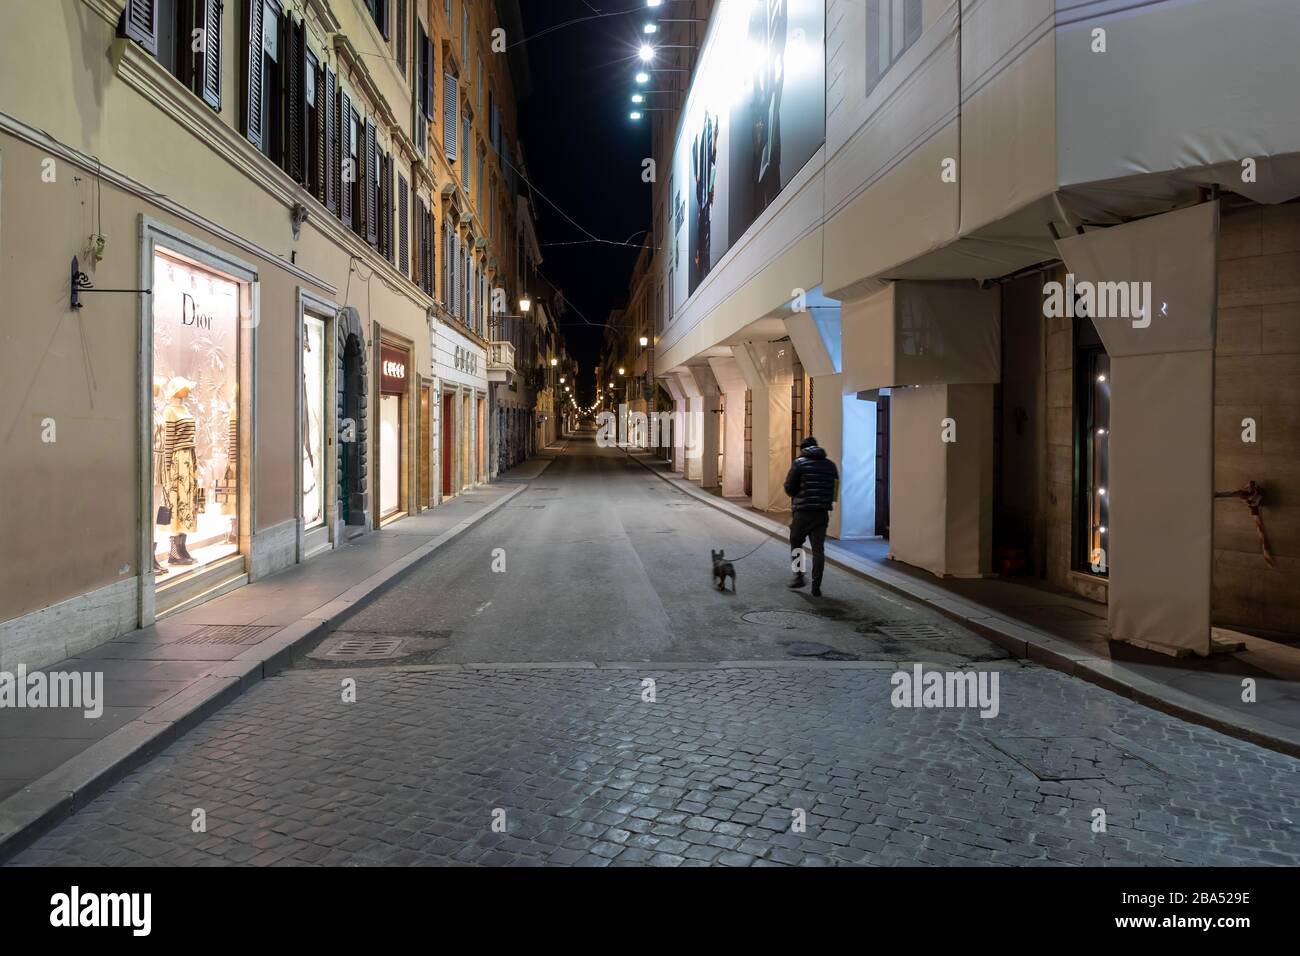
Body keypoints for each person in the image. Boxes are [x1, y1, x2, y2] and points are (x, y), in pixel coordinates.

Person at [783, 436, 839, 597]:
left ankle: (799, 576)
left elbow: (789, 489)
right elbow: (835, 489)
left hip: (802, 513)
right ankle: (816, 585)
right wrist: (826, 502)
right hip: (821, 514)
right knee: (818, 550)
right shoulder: (831, 465)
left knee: (796, 542)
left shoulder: (799, 463)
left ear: (803, 449)